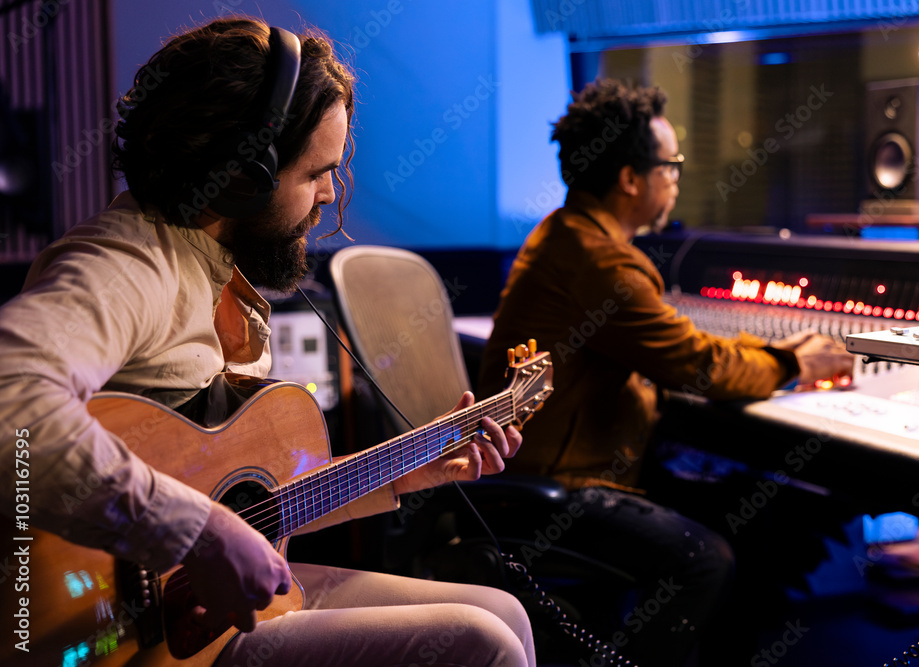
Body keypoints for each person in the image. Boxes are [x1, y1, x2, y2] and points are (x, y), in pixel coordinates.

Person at [0, 17, 534, 667]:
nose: (330, 195)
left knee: (504, 609)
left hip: (193, 615)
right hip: (108, 636)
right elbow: (11, 405)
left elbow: (246, 500)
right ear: (243, 172)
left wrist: (412, 469)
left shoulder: (211, 265)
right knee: (483, 644)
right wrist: (194, 529)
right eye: (316, 173)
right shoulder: (129, 262)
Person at [478, 79, 856, 665]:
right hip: (557, 491)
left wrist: (776, 355)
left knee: (766, 512)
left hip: (567, 471)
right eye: (670, 164)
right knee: (707, 558)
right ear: (631, 178)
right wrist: (793, 363)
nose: (676, 176)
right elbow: (698, 365)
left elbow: (682, 345)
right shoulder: (598, 259)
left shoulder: (571, 235)